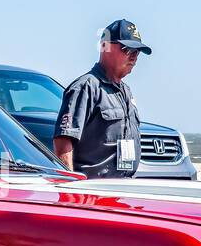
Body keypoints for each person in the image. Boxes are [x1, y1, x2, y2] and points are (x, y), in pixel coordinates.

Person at [53, 18, 150, 179]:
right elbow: (63, 141)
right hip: (93, 190)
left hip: (123, 187)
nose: (134, 57)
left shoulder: (126, 92)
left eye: (137, 52)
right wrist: (71, 186)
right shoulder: (86, 88)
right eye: (128, 50)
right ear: (105, 48)